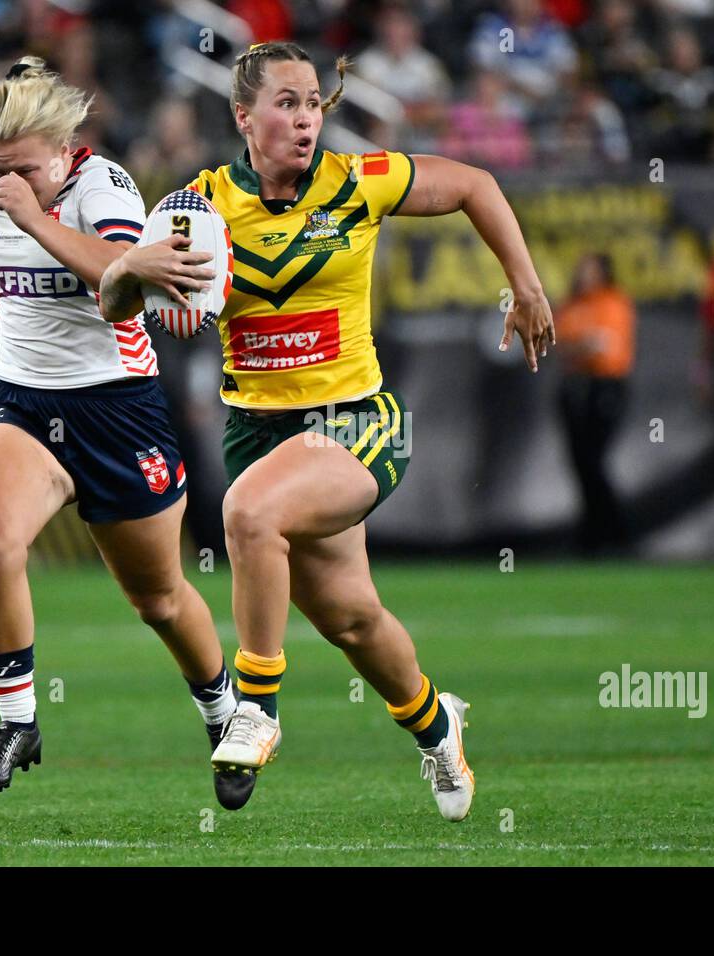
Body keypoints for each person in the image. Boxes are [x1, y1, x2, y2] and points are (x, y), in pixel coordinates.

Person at [100, 42, 555, 821]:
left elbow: (475, 184)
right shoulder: (195, 208)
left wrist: (526, 284)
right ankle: (437, 724)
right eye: (286, 103)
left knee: (248, 513)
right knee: (352, 618)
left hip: (361, 422)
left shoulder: (359, 180)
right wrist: (137, 277)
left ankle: (257, 704)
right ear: (243, 116)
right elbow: (116, 309)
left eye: (314, 102)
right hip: (258, 432)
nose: (306, 118)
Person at [0, 57, 253, 809]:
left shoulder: (105, 188)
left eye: (22, 169)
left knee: (157, 599)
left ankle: (224, 713)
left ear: (65, 151)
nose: (5, 182)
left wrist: (31, 220)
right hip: (22, 399)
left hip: (116, 408)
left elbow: (120, 283)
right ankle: (16, 723)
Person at [554, 252, 635, 553]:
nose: (583, 275)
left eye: (590, 269)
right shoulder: (572, 304)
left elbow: (602, 347)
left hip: (605, 386)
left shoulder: (612, 301)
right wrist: (581, 346)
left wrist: (579, 346)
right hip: (576, 387)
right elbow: (557, 342)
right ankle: (593, 534)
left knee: (594, 460)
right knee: (580, 462)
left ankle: (615, 533)